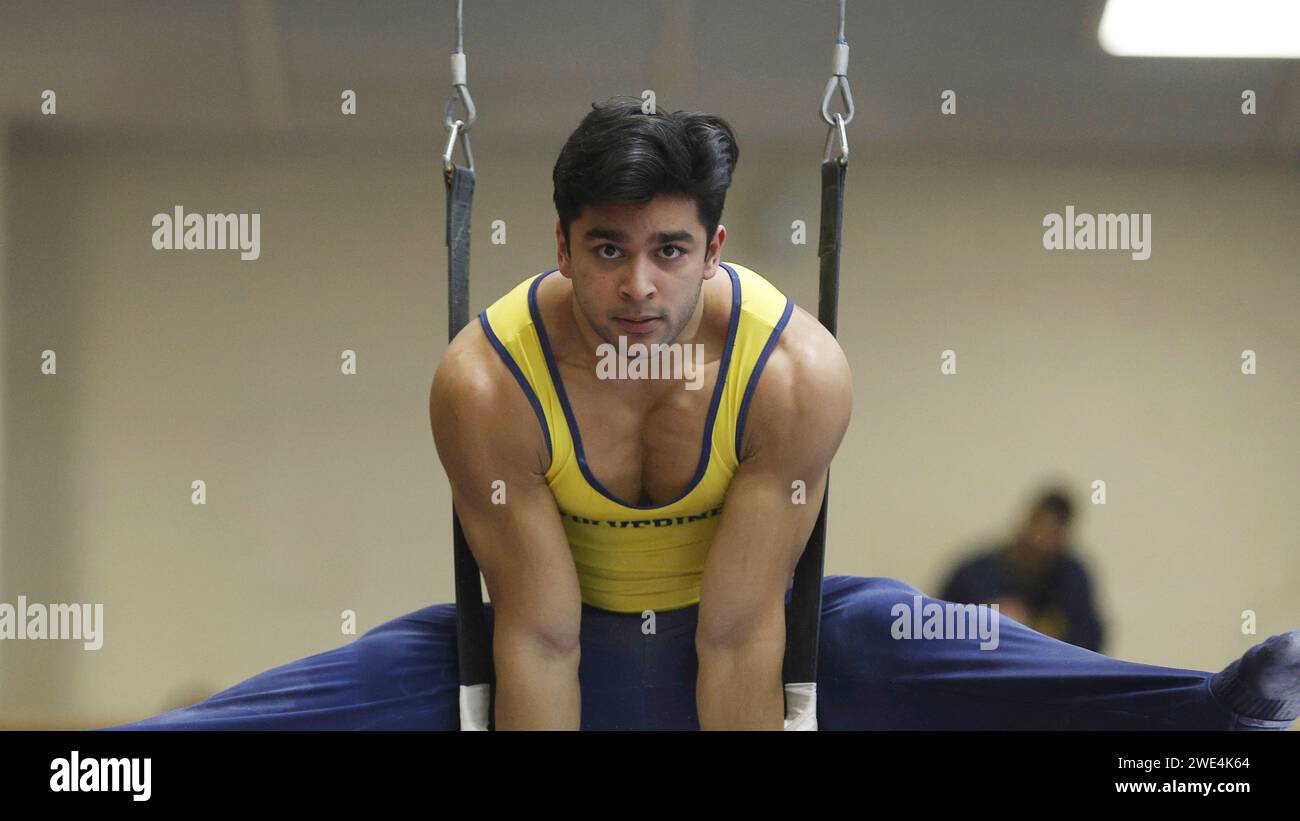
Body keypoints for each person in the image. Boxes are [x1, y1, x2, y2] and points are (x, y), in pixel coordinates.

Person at [103, 98, 1300, 731]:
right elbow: (536, 637)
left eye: (670, 251)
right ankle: (99, 773)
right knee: (371, 680)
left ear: (714, 246)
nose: (637, 287)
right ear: (559, 243)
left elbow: (737, 641)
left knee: (905, 635)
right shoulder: (485, 380)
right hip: (550, 650)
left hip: (745, 646)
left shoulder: (793, 372)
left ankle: (1204, 708)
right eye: (607, 250)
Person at [942, 489, 1106, 652]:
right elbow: (935, 628)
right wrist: (982, 623)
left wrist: (1039, 633)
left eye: (1053, 533)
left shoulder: (1072, 579)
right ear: (1027, 521)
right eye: (1039, 526)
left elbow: (1090, 639)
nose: (1042, 541)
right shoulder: (973, 576)